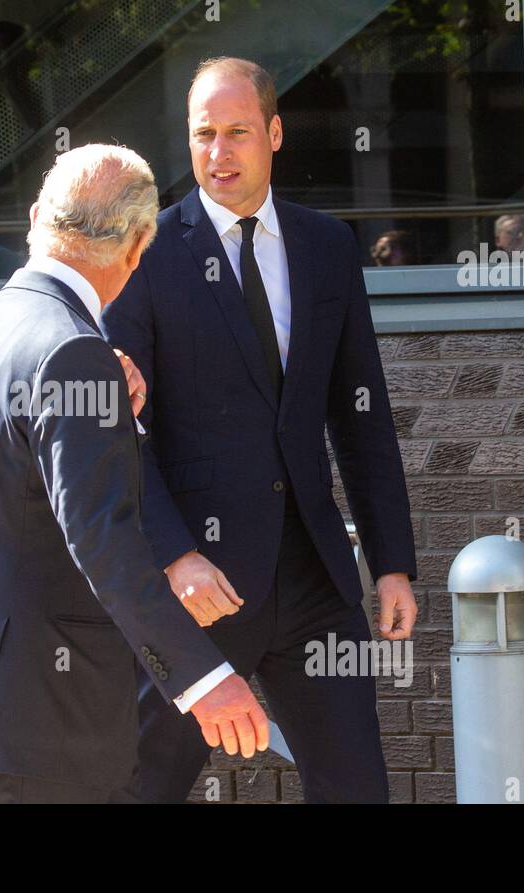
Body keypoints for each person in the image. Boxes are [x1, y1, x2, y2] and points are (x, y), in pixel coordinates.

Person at [0, 144, 269, 804]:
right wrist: (201, 675)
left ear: (39, 217)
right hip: (50, 711)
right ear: (137, 248)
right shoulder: (74, 349)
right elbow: (103, 539)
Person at [100, 57, 418, 803]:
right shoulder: (144, 253)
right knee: (146, 784)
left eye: (237, 132)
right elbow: (118, 428)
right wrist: (174, 554)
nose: (218, 152)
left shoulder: (327, 247)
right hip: (197, 589)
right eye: (203, 134)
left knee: (355, 786)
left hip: (314, 580)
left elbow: (359, 409)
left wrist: (392, 560)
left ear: (274, 133)